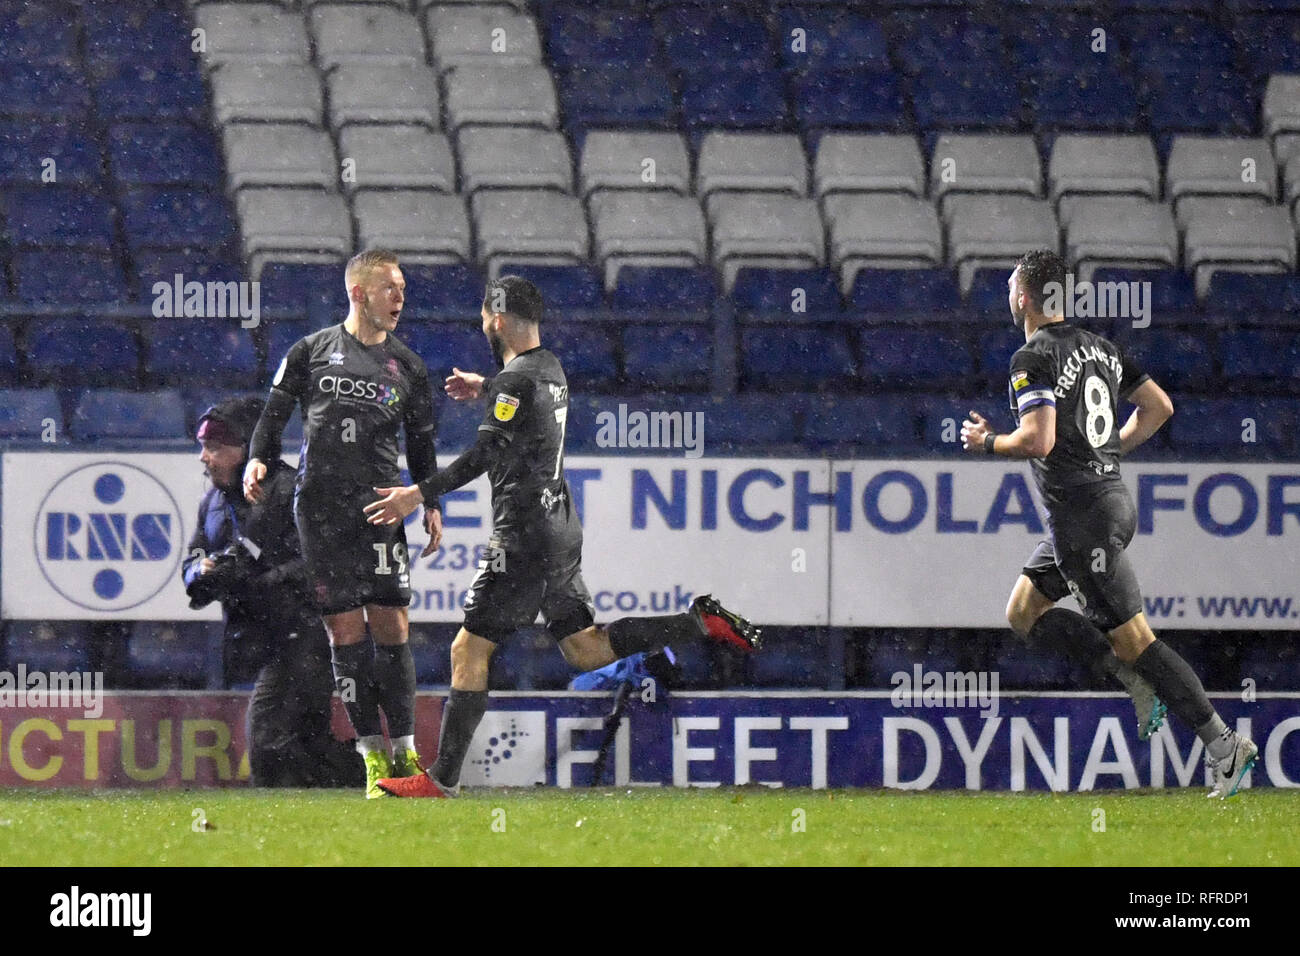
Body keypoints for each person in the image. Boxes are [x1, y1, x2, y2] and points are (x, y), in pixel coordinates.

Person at [360, 276, 761, 798]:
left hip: (523, 538)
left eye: (485, 317)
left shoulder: (515, 382)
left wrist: (416, 494)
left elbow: (483, 456)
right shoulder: (550, 370)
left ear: (497, 320)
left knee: (468, 649)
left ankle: (442, 779)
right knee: (585, 649)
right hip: (560, 528)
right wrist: (487, 387)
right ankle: (697, 621)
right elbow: (527, 401)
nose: (484, 324)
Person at [960, 249, 1257, 798]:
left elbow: (1039, 440)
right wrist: (1108, 447)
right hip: (1107, 502)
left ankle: (1223, 745)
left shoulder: (1031, 357)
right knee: (1023, 612)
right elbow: (1160, 407)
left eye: (1009, 285)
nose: (1007, 294)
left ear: (1024, 296)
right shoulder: (1102, 348)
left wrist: (987, 443)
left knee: (1137, 641)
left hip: (1083, 518)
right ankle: (1129, 677)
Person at [244, 249, 445, 798]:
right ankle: (372, 759)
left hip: (380, 506)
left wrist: (428, 500)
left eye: (402, 289)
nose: (399, 299)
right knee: (345, 631)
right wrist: (260, 455)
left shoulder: (409, 366)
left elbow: (421, 443)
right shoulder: (310, 351)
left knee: (393, 625)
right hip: (321, 509)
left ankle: (404, 749)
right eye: (389, 288)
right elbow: (274, 413)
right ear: (358, 293)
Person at [182, 397, 361, 788]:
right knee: (309, 745)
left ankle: (361, 781)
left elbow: (319, 562)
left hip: (304, 635)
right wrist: (202, 572)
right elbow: (192, 561)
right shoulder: (210, 503)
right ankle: (375, 778)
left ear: (246, 447)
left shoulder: (292, 492)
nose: (204, 457)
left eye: (214, 447)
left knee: (267, 742)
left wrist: (256, 578)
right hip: (260, 637)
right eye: (202, 446)